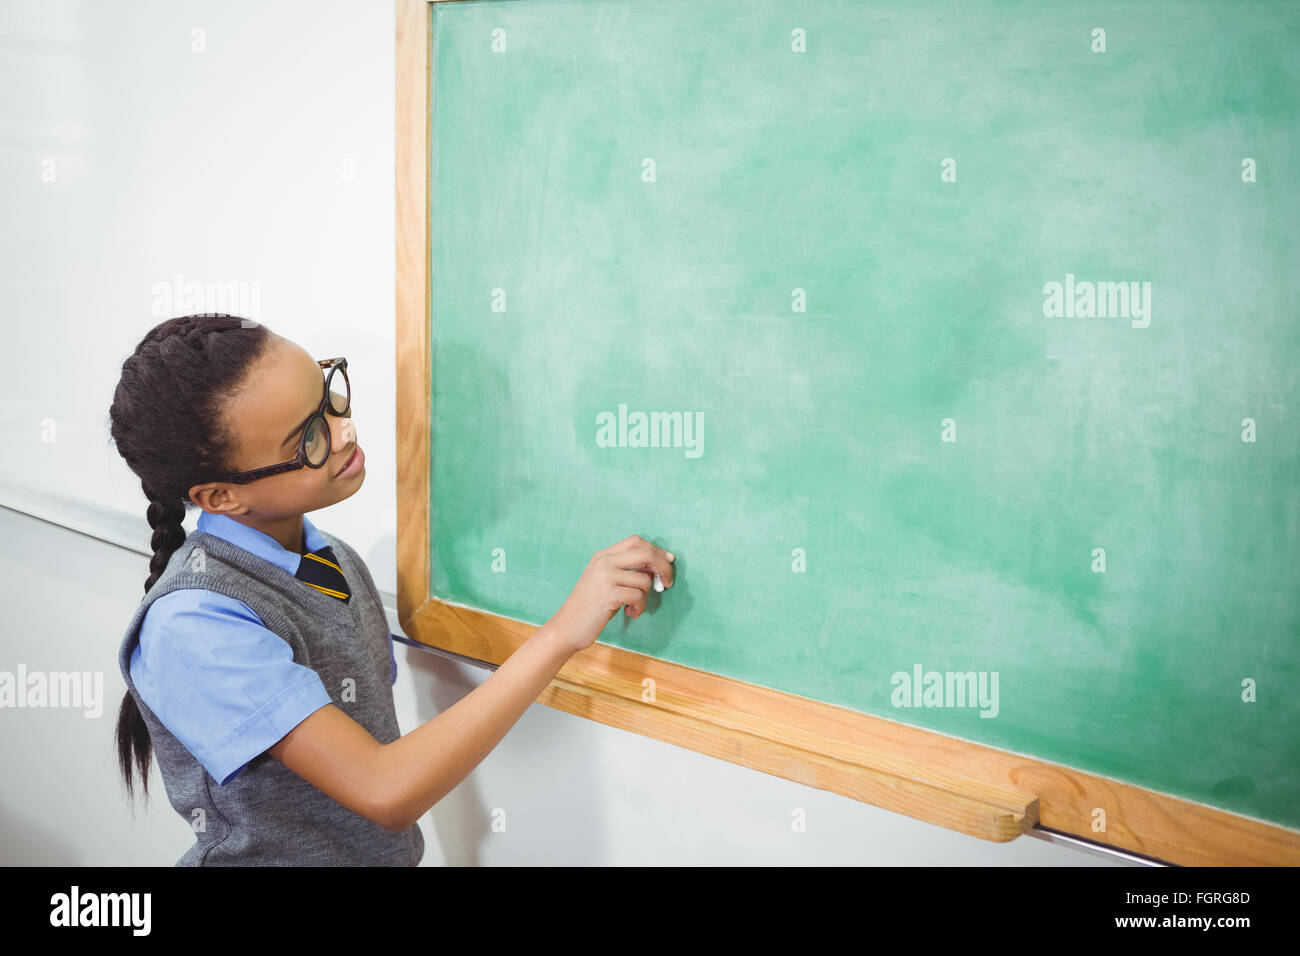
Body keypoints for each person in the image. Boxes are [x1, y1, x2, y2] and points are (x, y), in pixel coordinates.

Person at [108, 313, 674, 865]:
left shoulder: (332, 559)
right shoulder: (192, 624)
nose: (344, 428)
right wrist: (560, 634)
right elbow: (384, 790)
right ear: (221, 497)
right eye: (308, 438)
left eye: (329, 394)